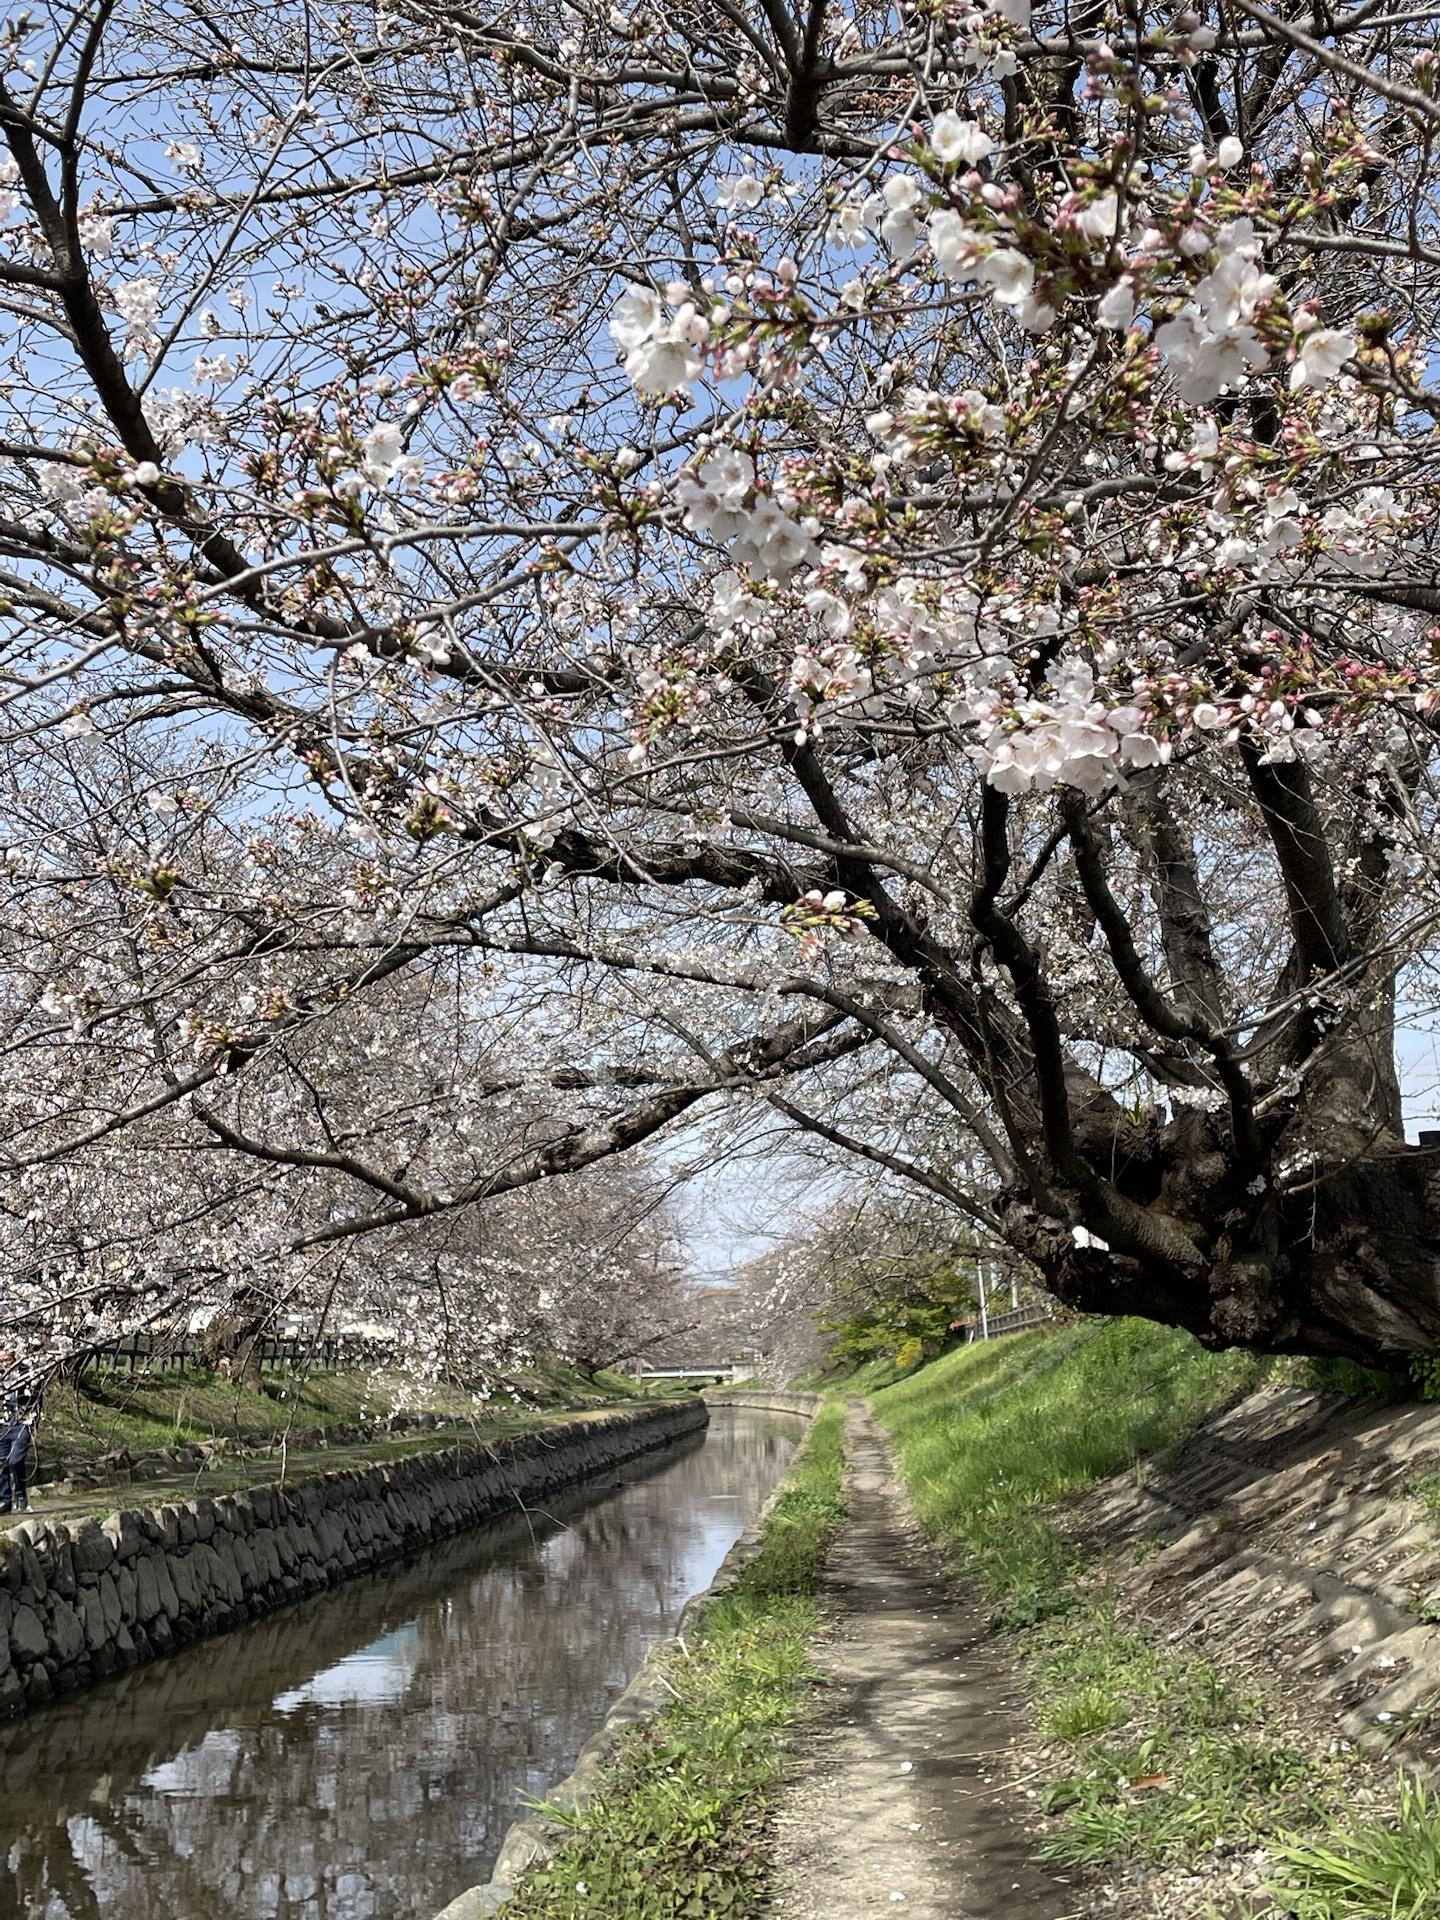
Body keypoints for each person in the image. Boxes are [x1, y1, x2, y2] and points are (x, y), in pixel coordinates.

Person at [0, 1349, 42, 1515]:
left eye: (7, 1358)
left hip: (23, 1422)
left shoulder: (28, 1374)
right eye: (1, 1359)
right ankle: (4, 1500)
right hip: (3, 1423)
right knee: (1, 1463)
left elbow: (37, 1398)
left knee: (15, 1460)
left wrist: (34, 1420)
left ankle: (20, 1494)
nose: (4, 1362)